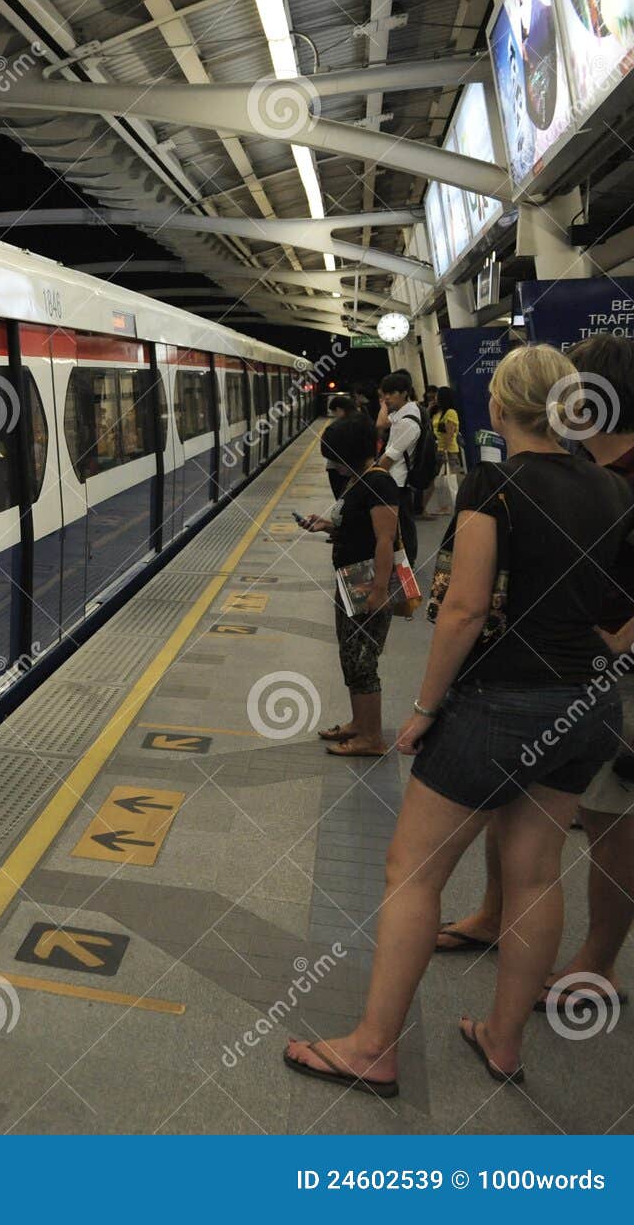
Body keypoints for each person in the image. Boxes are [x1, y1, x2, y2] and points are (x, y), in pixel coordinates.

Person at [283, 344, 634, 1094]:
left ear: (499, 409)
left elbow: (467, 609)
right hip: (588, 708)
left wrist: (422, 710)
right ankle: (503, 1043)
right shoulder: (610, 489)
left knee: (412, 873)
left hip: (500, 706)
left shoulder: (494, 485)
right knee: (536, 876)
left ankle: (374, 1047)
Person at [433, 336, 634, 1015]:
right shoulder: (589, 472)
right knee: (522, 829)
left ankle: (596, 962)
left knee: (612, 828)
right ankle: (496, 930)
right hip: (570, 686)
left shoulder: (612, 478)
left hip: (597, 686)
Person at [303, 418, 399, 757]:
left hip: (368, 580)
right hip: (352, 578)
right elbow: (359, 527)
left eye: (336, 457)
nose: (332, 464)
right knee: (350, 656)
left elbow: (385, 540)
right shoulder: (360, 480)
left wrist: (379, 590)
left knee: (362, 660)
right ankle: (359, 724)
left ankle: (371, 738)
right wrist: (327, 525)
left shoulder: (378, 484)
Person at [372, 370, 422, 564]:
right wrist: (384, 403)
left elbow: (389, 458)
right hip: (397, 481)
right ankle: (404, 563)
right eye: (384, 393)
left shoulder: (407, 423)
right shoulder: (405, 413)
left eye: (390, 393)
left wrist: (371, 478)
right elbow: (381, 423)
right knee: (402, 526)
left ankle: (406, 565)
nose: (386, 398)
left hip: (397, 482)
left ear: (403, 393)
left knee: (401, 528)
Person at [420, 386, 462, 517]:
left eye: (438, 395)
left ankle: (457, 505)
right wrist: (429, 409)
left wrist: (444, 450)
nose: (435, 398)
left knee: (451, 479)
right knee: (439, 481)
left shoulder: (450, 412)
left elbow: (450, 433)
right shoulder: (437, 412)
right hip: (437, 448)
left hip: (448, 450)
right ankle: (444, 506)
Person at [324, 393, 361, 498]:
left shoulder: (341, 425)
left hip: (339, 470)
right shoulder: (361, 419)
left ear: (339, 409)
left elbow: (327, 449)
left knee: (342, 499)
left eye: (334, 413)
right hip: (355, 469)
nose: (334, 416)